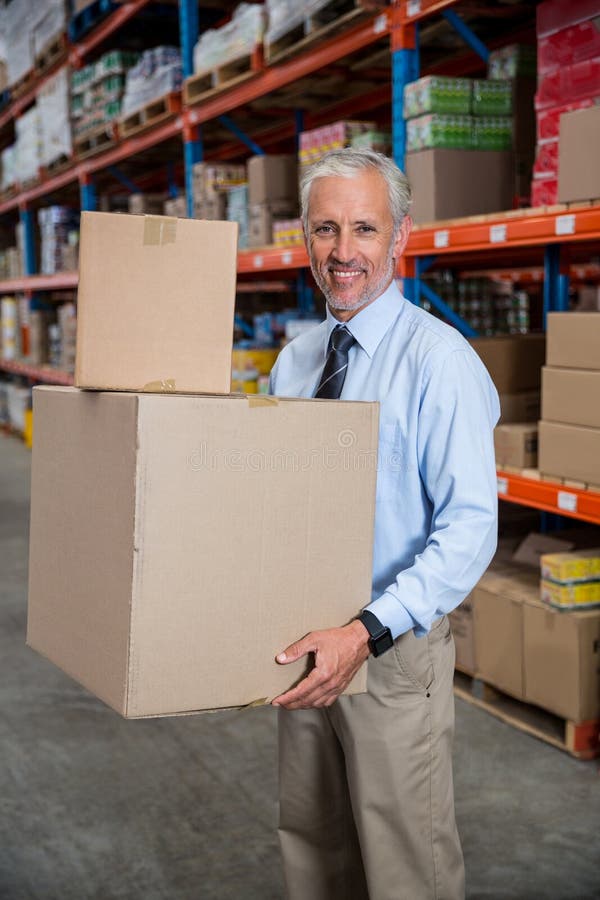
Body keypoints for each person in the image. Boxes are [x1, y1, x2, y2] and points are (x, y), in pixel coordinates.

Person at [268, 148, 500, 900]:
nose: (343, 253)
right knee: (313, 844)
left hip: (388, 653)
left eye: (364, 229)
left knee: (406, 866)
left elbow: (468, 528)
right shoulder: (294, 363)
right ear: (304, 237)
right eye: (326, 228)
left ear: (400, 236)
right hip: (303, 645)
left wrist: (364, 631)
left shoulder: (440, 363)